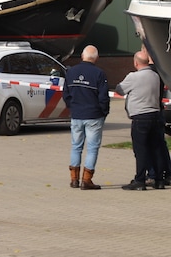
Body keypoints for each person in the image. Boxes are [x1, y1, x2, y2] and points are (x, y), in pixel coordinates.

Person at [116, 50, 166, 190]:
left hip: (140, 117)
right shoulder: (155, 76)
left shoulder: (133, 77)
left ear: (136, 62)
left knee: (141, 150)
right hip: (155, 115)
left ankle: (140, 180)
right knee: (156, 148)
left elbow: (120, 89)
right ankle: (159, 179)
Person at [64, 45, 110, 190]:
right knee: (92, 148)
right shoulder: (99, 73)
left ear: (82, 56)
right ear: (96, 58)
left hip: (76, 115)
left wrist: (73, 107)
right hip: (94, 116)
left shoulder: (71, 72)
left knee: (76, 146)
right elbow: (103, 97)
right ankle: (86, 180)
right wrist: (104, 112)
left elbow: (66, 94)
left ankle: (74, 180)